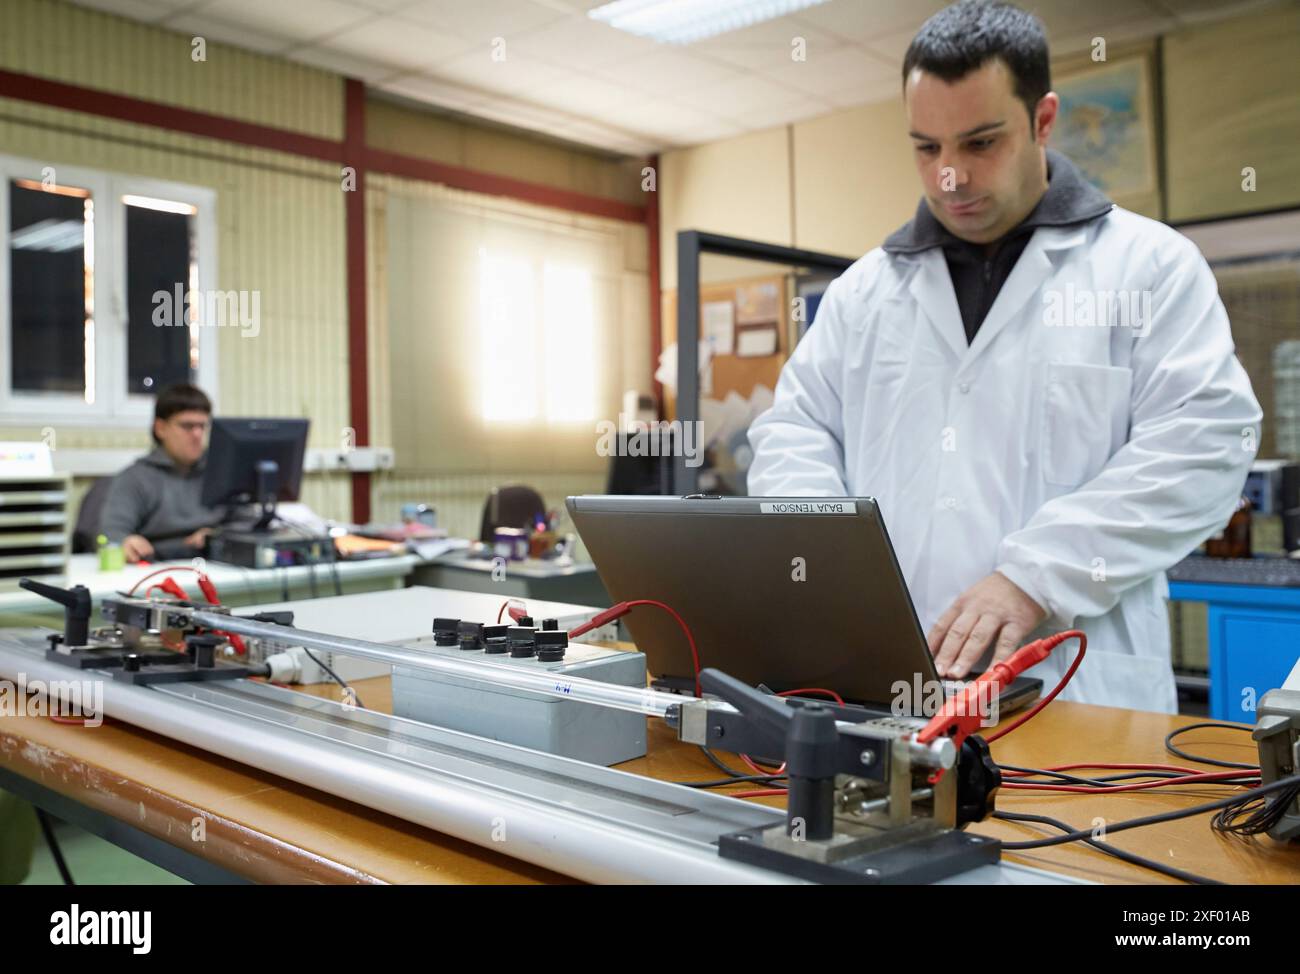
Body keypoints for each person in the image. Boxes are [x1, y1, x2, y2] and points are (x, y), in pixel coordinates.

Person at [745, 0, 1261, 713]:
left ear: (1043, 121)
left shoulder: (1148, 267)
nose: (950, 177)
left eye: (980, 143)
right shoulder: (866, 291)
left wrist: (1035, 575)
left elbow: (1205, 444)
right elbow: (792, 430)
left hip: (1075, 688)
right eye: (927, 148)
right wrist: (829, 559)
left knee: (1079, 829)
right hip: (888, 686)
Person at [101, 383, 225, 562]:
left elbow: (248, 523)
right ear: (161, 428)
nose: (198, 434)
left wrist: (217, 535)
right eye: (187, 426)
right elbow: (110, 534)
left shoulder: (219, 473)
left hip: (212, 566)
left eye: (203, 426)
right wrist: (126, 542)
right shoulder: (135, 478)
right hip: (155, 570)